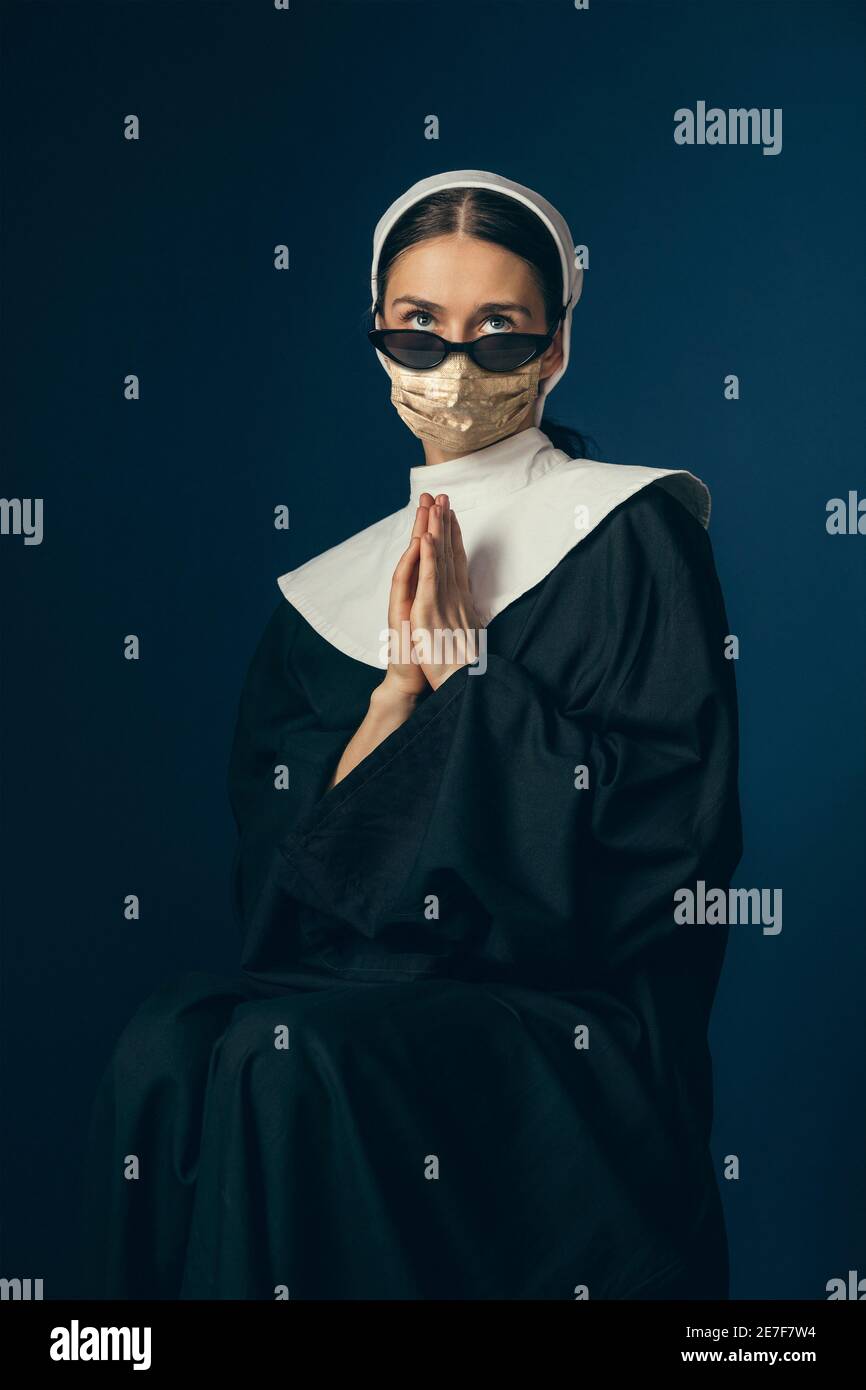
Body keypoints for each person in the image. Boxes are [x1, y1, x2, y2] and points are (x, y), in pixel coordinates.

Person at [76, 169, 742, 1301]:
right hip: (353, 982)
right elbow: (282, 899)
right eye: (419, 327)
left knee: (293, 1061)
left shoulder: (633, 535)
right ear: (378, 333)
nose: (454, 367)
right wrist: (397, 698)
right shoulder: (327, 593)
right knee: (169, 1046)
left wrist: (472, 683)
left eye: (499, 330)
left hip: (563, 1014)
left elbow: (671, 845)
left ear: (555, 346)